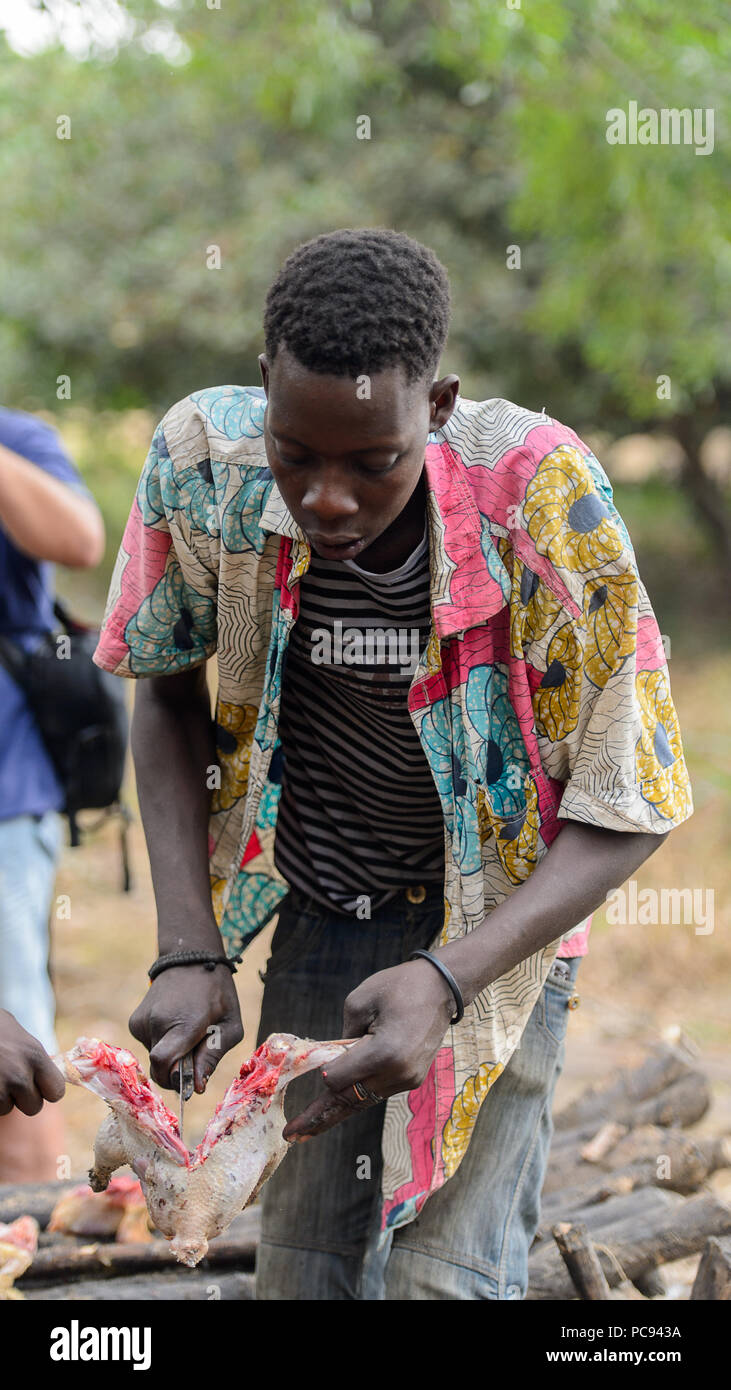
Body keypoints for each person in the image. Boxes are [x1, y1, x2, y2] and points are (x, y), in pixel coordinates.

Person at [93, 228, 692, 1300]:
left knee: (447, 1281)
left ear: (440, 405)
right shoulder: (201, 464)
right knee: (303, 1275)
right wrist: (186, 948)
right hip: (323, 907)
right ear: (262, 390)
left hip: (501, 931)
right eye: (295, 453)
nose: (326, 499)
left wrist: (448, 979)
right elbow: (168, 697)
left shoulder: (540, 495)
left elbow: (630, 793)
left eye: (372, 462)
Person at [0, 408, 104, 1180]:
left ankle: (27, 1254)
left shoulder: (17, 441)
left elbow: (79, 542)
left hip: (4, 797)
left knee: (10, 1058)